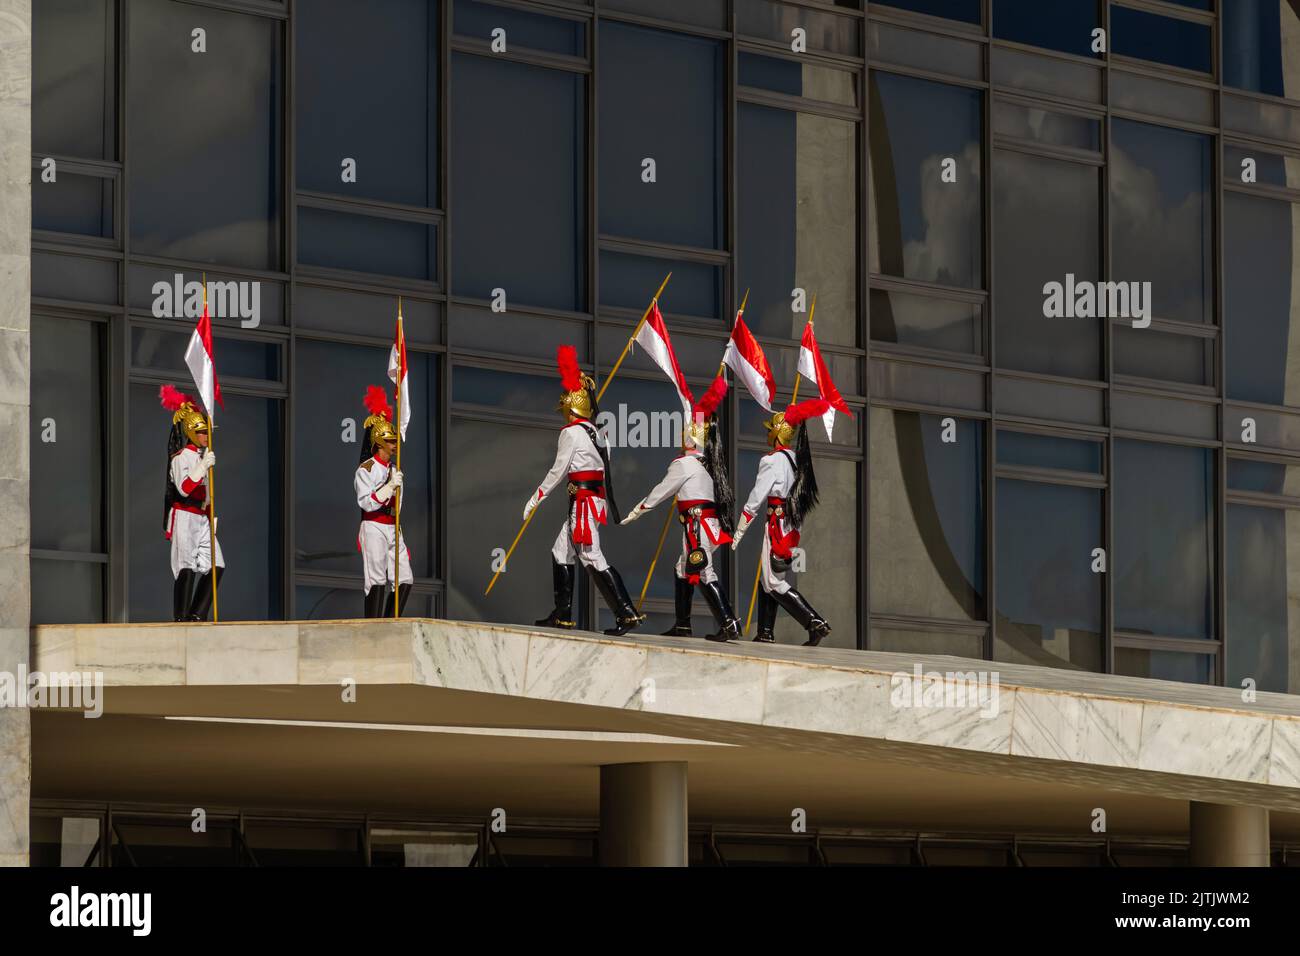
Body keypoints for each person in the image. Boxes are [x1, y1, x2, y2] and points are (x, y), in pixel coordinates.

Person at [528, 346, 644, 636]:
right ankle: (563, 614)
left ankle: (626, 612)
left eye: (565, 408)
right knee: (560, 551)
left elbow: (558, 471)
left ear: (572, 406)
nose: (564, 414)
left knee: (592, 557)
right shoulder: (600, 433)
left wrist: (535, 498)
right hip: (590, 501)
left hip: (582, 503)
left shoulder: (571, 433)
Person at [621, 375, 739, 641]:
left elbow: (660, 491)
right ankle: (683, 625)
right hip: (705, 525)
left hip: (697, 527)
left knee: (704, 571)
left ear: (689, 437)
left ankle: (729, 623)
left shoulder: (684, 464)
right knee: (682, 569)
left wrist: (639, 509)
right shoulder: (706, 465)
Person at [731, 398, 832, 646]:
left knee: (774, 581)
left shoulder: (772, 460)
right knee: (767, 578)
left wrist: (740, 530)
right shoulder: (796, 460)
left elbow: (756, 498)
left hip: (776, 525)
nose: (767, 433)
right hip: (791, 526)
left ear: (778, 433)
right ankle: (765, 631)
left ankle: (814, 622)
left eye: (769, 429)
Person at [159, 385, 224, 622]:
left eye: (207, 431)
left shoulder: (201, 456)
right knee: (185, 566)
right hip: (185, 515)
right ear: (191, 432)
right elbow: (184, 488)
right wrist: (203, 466)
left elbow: (205, 493)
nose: (207, 435)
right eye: (202, 432)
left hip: (202, 517)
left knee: (217, 564)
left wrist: (210, 514)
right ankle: (181, 616)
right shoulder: (182, 458)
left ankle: (197, 614)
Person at [356, 386, 413, 618]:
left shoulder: (394, 469)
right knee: (376, 580)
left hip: (392, 527)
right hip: (374, 526)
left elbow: (397, 505)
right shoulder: (366, 470)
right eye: (390, 440)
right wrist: (389, 487)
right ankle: (373, 625)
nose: (394, 444)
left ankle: (391, 622)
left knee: (405, 579)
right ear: (379, 442)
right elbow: (366, 502)